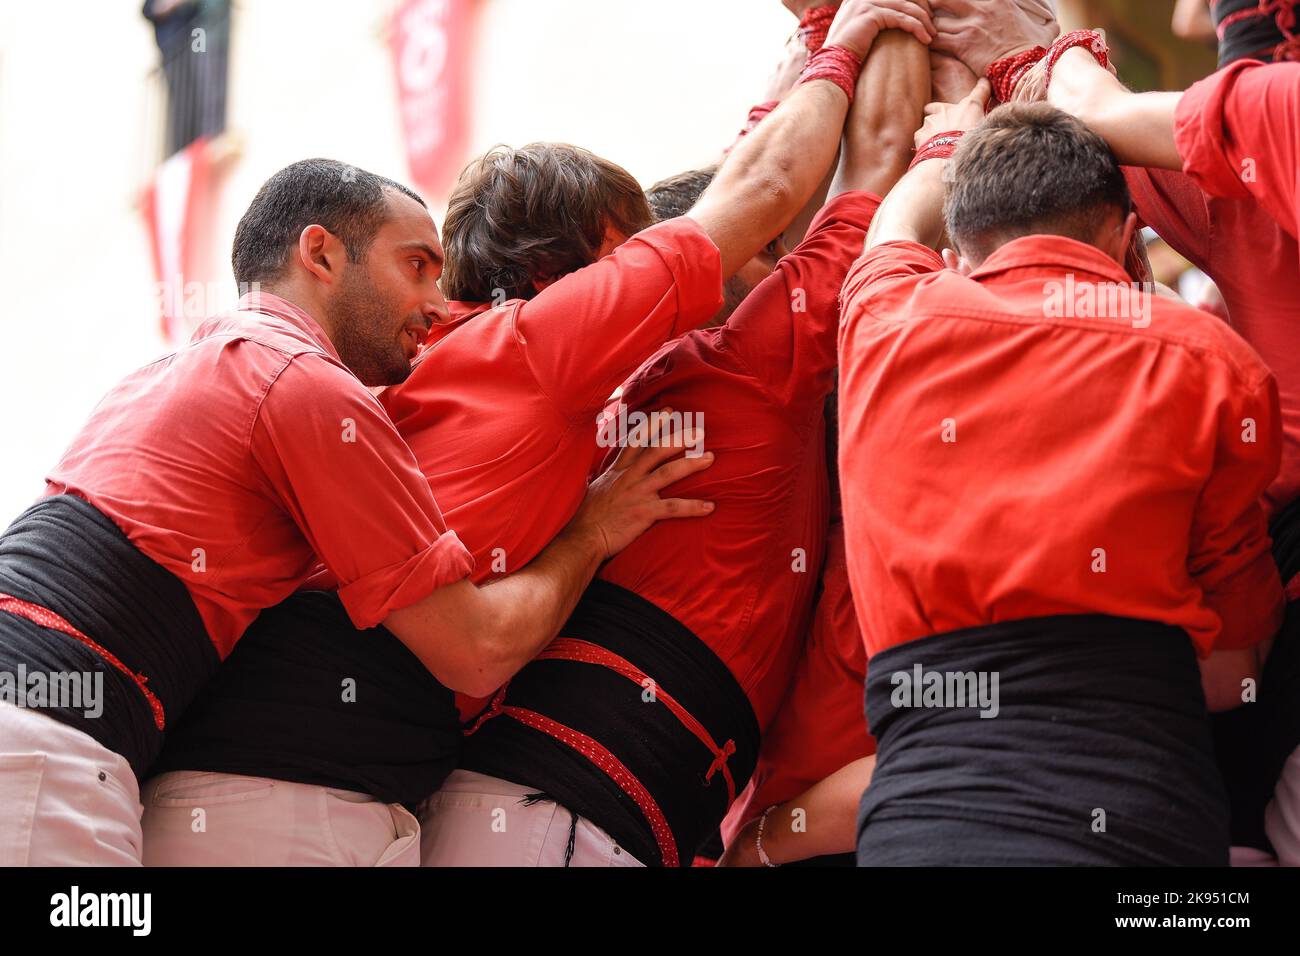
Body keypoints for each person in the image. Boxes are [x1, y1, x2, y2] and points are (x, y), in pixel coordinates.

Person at [137, 0, 923, 867]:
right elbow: (763, 190)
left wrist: (816, 41)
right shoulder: (545, 350)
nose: (665, 276)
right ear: (569, 275)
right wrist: (862, 36)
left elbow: (749, 183)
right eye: (634, 253)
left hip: (350, 788)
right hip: (330, 794)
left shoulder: (468, 364)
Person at [0, 158, 707, 867]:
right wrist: (592, 529)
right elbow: (474, 647)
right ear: (320, 253)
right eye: (415, 265)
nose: (435, 302)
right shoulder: (307, 387)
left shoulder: (166, 373)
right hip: (49, 737)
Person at [419, 21, 931, 869]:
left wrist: (822, 38)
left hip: (542, 809)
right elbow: (865, 159)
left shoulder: (598, 387)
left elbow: (749, 182)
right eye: (772, 247)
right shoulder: (743, 362)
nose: (777, 252)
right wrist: (895, 21)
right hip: (557, 814)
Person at [838, 87, 1282, 865]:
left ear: (958, 255)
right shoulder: (1214, 363)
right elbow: (1233, 669)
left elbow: (888, 230)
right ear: (1126, 239)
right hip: (1155, 828)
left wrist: (946, 143)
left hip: (923, 830)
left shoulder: (882, 325)